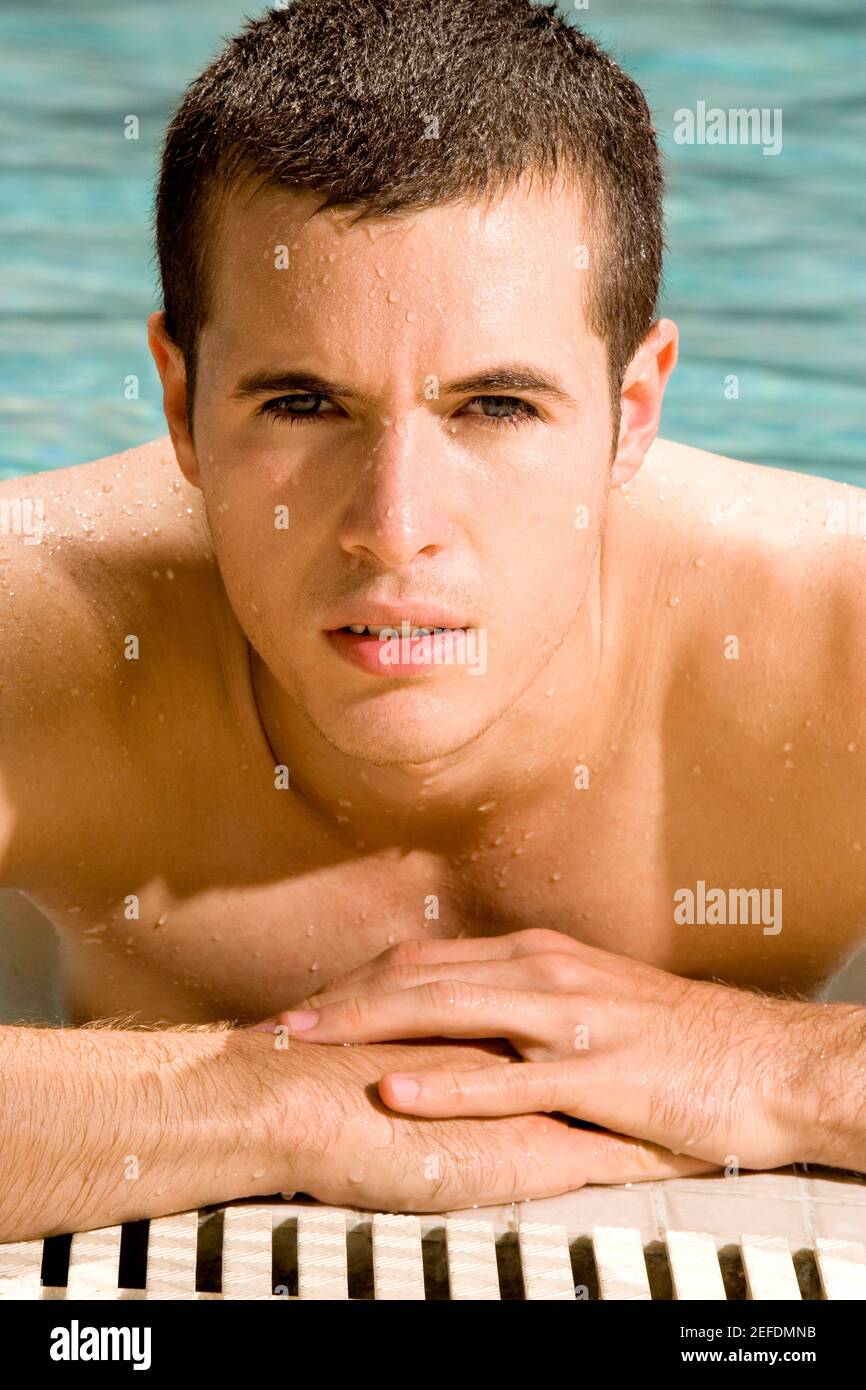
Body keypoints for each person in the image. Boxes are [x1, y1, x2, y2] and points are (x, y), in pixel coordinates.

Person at [1, 0, 864, 1244]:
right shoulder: (37, 628)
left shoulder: (826, 641)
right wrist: (256, 1103)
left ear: (631, 411)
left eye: (496, 406)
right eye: (302, 402)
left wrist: (781, 1063)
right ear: (181, 407)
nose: (393, 525)